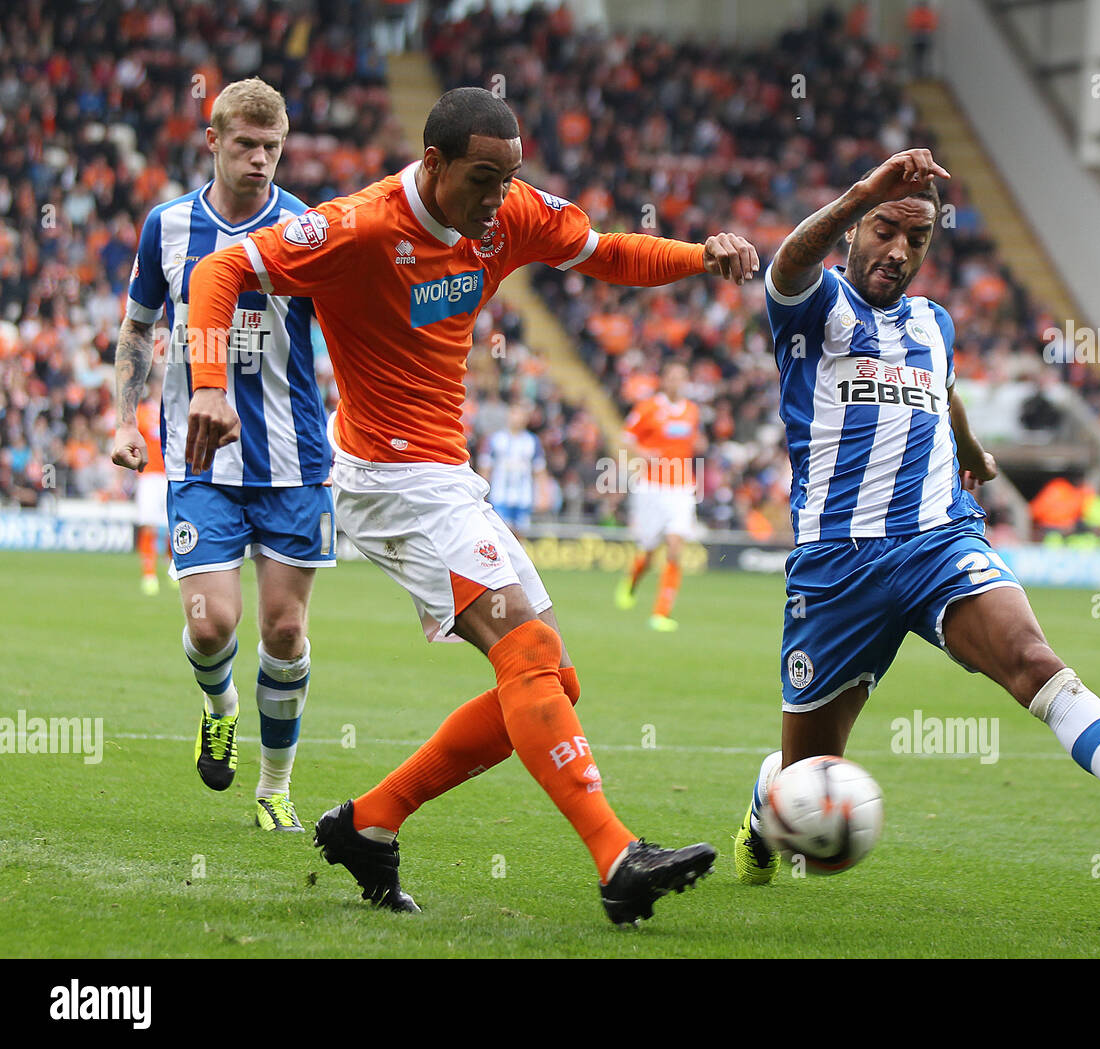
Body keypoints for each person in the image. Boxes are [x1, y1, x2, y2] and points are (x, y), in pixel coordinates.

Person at [182, 87, 760, 924]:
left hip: (444, 474)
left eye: (509, 179)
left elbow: (604, 253)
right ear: (433, 164)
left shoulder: (507, 211)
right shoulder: (362, 225)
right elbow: (220, 267)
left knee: (553, 675)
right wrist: (208, 386)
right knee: (526, 652)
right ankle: (616, 856)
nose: (496, 200)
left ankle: (369, 822)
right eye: (482, 180)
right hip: (385, 479)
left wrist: (699, 256)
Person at [733, 148, 1100, 885]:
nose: (898, 250)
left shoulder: (934, 323)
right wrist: (863, 192)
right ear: (857, 229)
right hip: (837, 564)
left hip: (937, 541)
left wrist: (970, 446)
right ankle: (764, 815)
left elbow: (941, 386)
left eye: (916, 239)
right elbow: (786, 265)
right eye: (885, 229)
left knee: (1034, 661)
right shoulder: (816, 305)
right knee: (808, 790)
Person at [112, 78, 334, 833]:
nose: (261, 159)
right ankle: (219, 706)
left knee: (283, 630)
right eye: (246, 144)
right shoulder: (167, 226)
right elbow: (138, 328)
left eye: (273, 146)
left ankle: (275, 786)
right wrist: (124, 419)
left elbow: (343, 330)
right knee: (211, 626)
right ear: (213, 141)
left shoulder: (308, 228)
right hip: (199, 458)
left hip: (294, 460)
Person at [614, 359, 701, 631]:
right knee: (649, 551)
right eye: (672, 377)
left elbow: (689, 443)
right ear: (664, 380)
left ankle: (661, 613)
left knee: (675, 548)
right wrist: (644, 453)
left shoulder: (692, 411)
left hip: (682, 487)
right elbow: (626, 438)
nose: (677, 382)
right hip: (652, 487)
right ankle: (632, 581)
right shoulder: (648, 407)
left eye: (681, 377)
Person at [478, 401, 547, 536]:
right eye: (515, 413)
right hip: (500, 496)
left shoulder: (532, 441)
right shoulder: (496, 439)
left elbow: (539, 470)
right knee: (501, 534)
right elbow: (486, 467)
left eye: (522, 414)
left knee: (520, 535)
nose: (518, 418)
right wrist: (481, 493)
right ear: (508, 415)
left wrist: (543, 495)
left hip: (524, 497)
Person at [133, 371, 174, 595]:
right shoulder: (141, 412)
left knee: (171, 525)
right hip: (148, 475)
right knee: (148, 524)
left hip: (170, 474)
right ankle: (148, 574)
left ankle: (172, 566)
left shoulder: (173, 411)